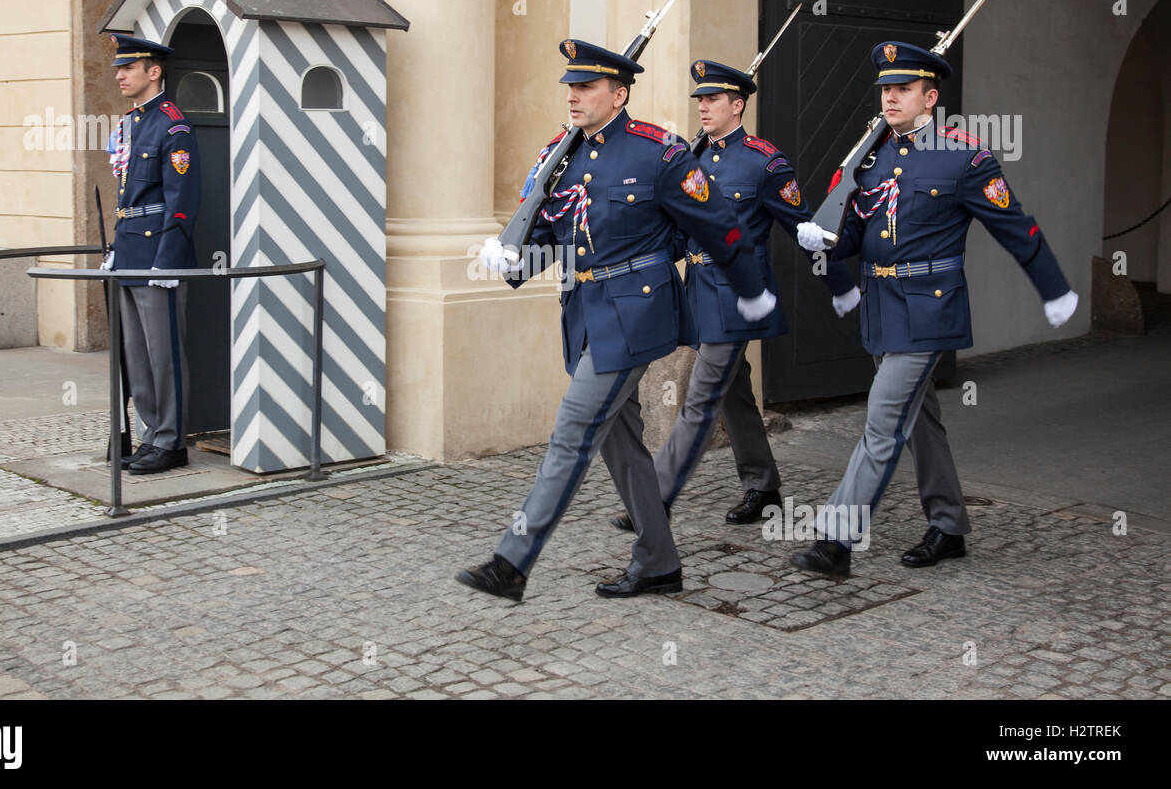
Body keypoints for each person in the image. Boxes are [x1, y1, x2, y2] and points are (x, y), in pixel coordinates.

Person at [456, 39, 776, 602]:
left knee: (573, 430)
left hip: (635, 313)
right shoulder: (562, 154)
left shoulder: (660, 153)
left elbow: (718, 222)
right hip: (583, 313)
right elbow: (557, 234)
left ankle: (512, 561)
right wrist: (512, 260)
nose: (573, 95)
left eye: (586, 87)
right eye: (571, 87)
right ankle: (658, 561)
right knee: (620, 442)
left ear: (619, 93)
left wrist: (747, 287)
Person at [791, 41, 1077, 577]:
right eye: (886, 89)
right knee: (919, 421)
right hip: (883, 308)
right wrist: (823, 240)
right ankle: (948, 525)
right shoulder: (869, 158)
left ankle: (834, 541)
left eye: (903, 89)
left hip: (928, 310)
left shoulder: (963, 157)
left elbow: (1015, 226)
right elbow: (851, 236)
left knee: (882, 421)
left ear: (931, 96)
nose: (891, 97)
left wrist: (1054, 287)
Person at [610, 59, 857, 534]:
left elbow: (803, 230)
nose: (702, 106)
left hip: (738, 298)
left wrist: (841, 286)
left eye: (713, 99)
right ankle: (763, 486)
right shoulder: (691, 158)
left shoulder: (765, 163)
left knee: (701, 398)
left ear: (737, 106)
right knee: (734, 391)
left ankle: (653, 498)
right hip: (698, 293)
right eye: (699, 99)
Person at [102, 33, 201, 475]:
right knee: (138, 354)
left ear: (153, 71)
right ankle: (150, 435)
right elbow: (126, 194)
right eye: (119, 69)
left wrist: (167, 260)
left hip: (158, 251)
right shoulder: (129, 124)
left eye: (128, 67)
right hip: (129, 250)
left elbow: (183, 200)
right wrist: (115, 251)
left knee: (164, 354)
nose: (120, 75)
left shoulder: (172, 125)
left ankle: (171, 441)